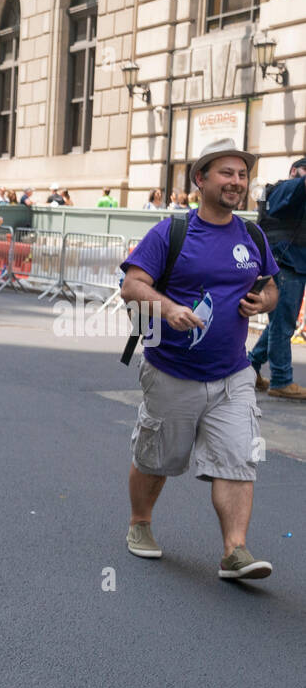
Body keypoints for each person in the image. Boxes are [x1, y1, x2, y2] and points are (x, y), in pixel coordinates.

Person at [120, 139, 279, 578]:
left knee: (237, 457)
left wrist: (263, 302)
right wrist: (168, 308)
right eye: (226, 173)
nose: (236, 182)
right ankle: (140, 524)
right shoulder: (172, 233)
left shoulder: (252, 235)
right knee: (158, 458)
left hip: (232, 373)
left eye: (242, 175)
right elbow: (132, 286)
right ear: (201, 180)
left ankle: (235, 551)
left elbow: (271, 287)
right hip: (172, 371)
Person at [249, 155, 306, 400]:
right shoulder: (286, 187)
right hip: (286, 264)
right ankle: (281, 380)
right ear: (295, 171)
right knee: (283, 325)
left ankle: (250, 367)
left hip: (291, 264)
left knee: (279, 323)